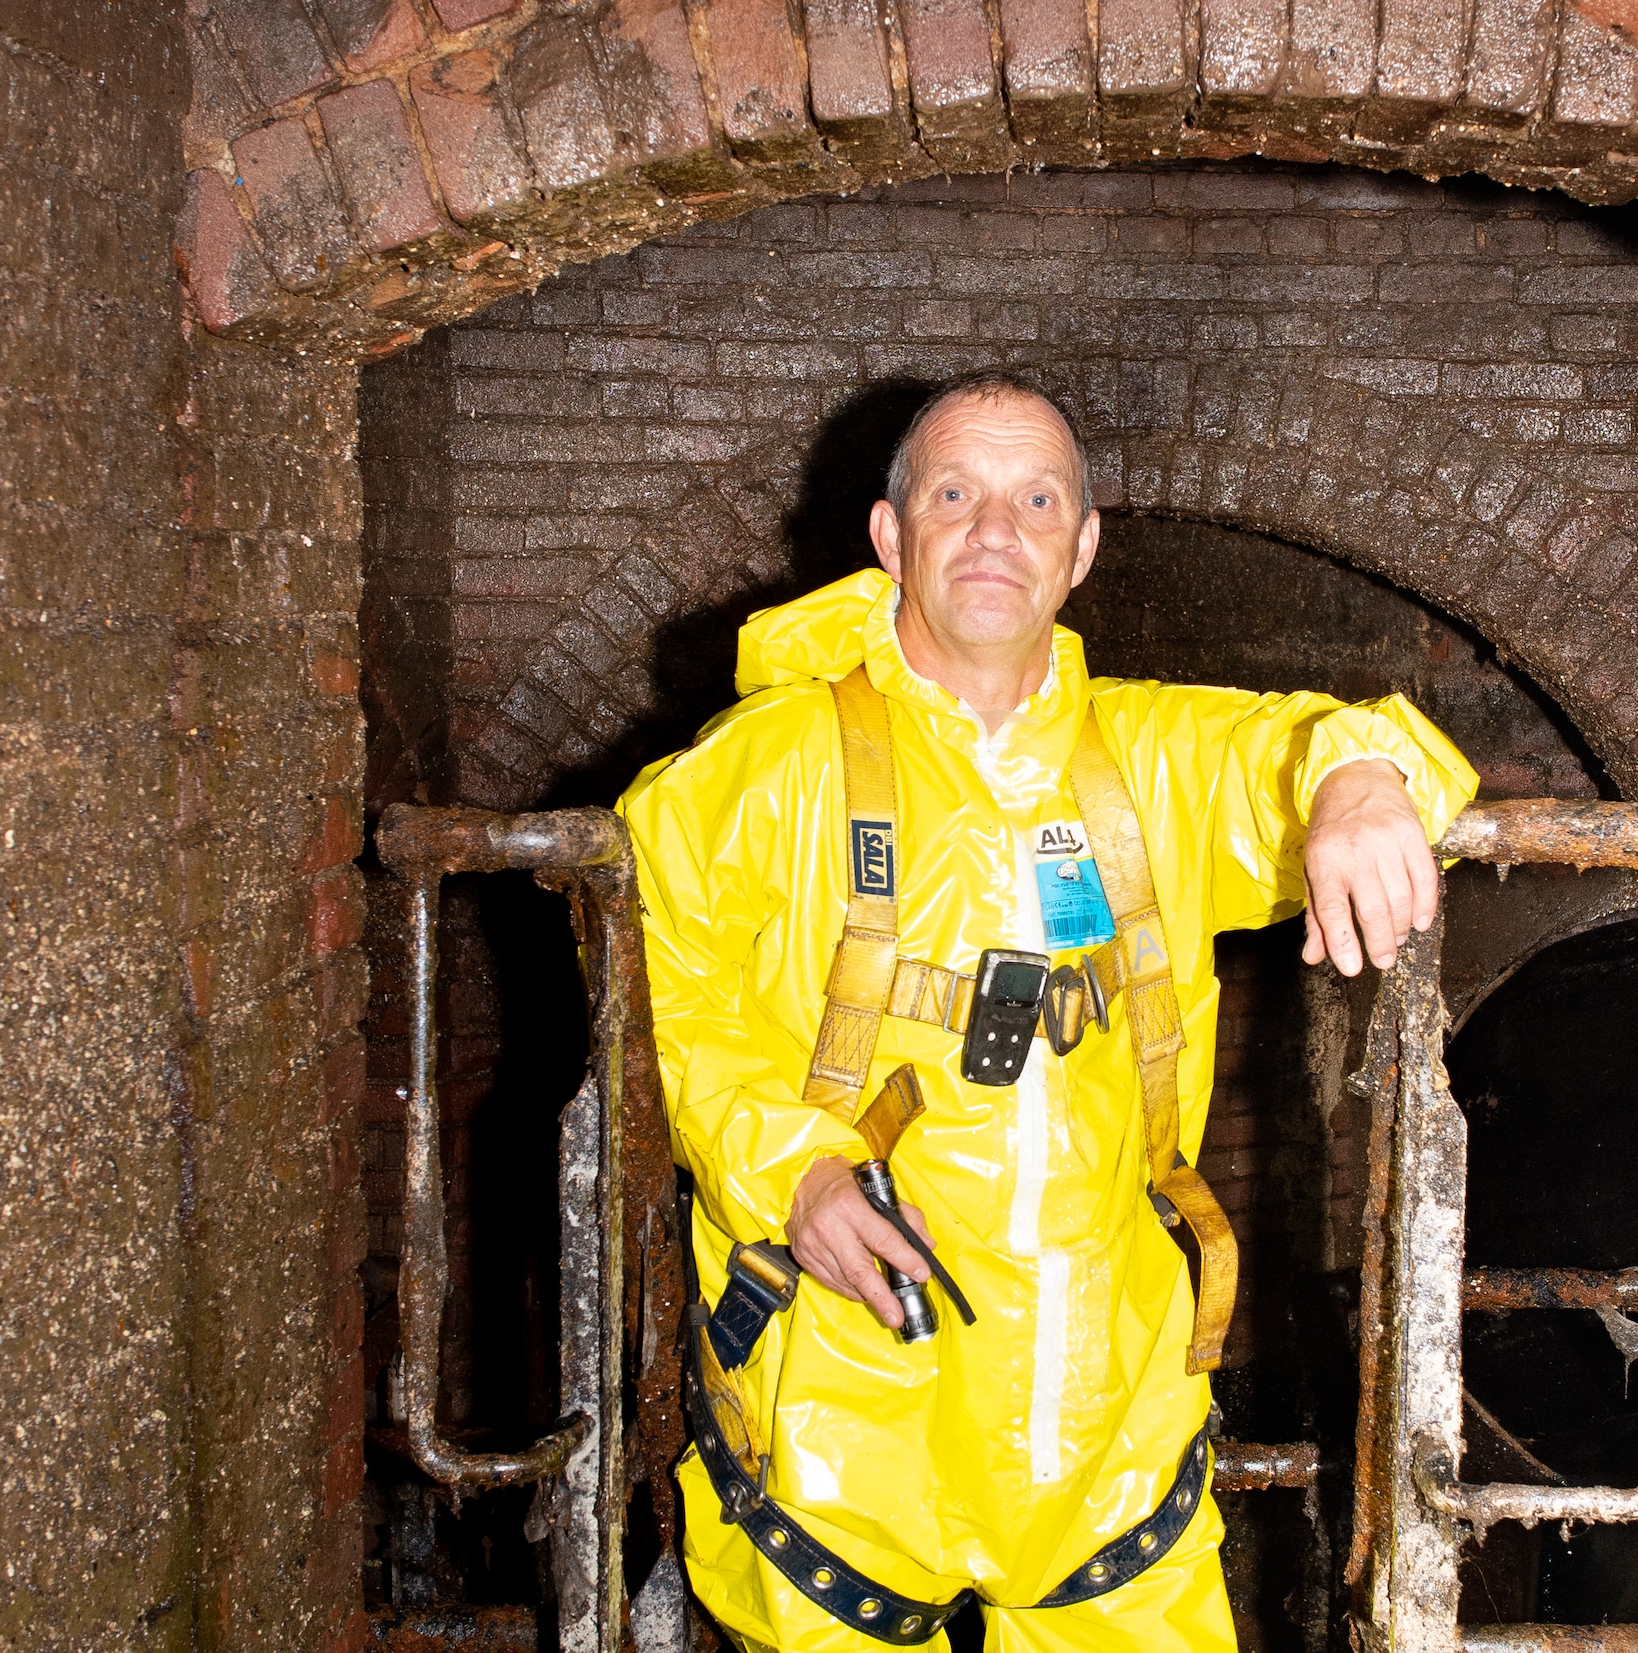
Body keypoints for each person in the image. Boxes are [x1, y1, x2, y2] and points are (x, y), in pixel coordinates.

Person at [622, 370, 1478, 1652]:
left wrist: (1361, 779)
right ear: (889, 536)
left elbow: (1297, 748)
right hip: (842, 1378)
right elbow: (666, 997)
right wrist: (793, 1174)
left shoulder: (1147, 761)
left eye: (1035, 502)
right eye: (953, 496)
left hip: (1104, 1413)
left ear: (1079, 549)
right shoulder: (757, 770)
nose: (992, 531)